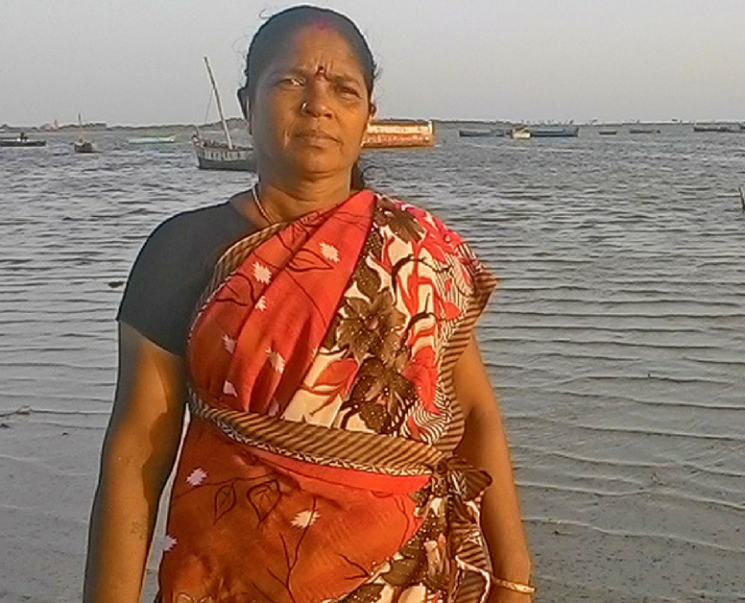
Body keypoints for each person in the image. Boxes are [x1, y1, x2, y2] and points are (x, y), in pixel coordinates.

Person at [83, 6, 533, 603]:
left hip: (405, 578)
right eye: (291, 80)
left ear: (368, 117)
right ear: (247, 105)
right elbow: (138, 447)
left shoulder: (417, 252)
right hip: (232, 578)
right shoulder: (183, 249)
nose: (318, 103)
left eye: (343, 89)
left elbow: (474, 417)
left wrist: (514, 580)